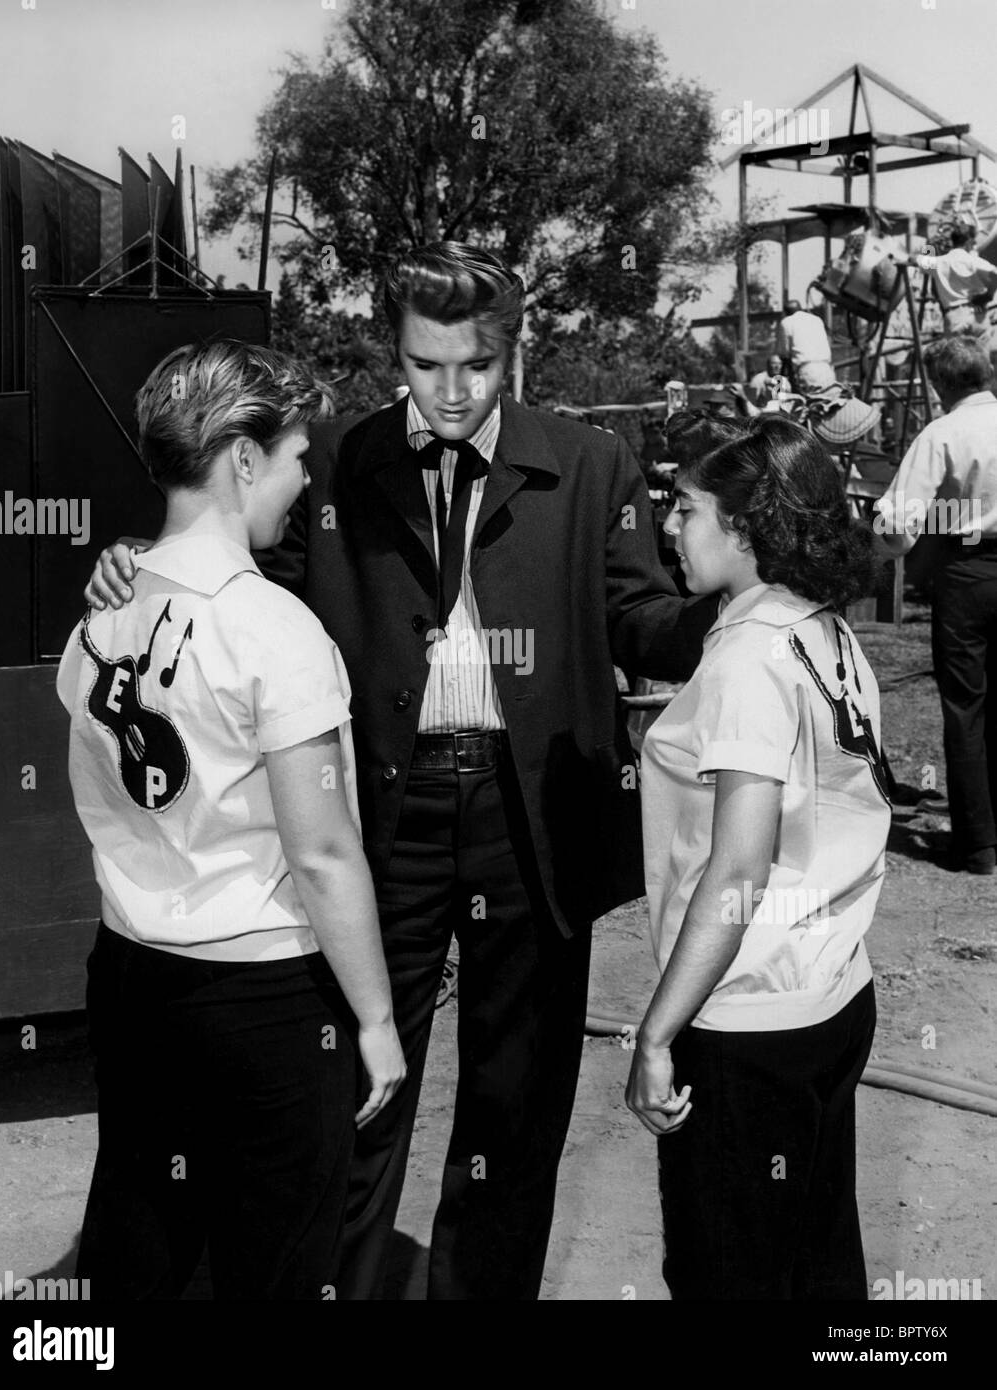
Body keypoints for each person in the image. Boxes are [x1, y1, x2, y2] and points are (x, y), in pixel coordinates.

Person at [84, 241, 716, 1301]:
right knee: (359, 1090)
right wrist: (133, 565)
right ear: (398, 355)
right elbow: (234, 563)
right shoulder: (332, 455)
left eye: (475, 365)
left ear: (512, 356)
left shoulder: (587, 462)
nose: (453, 390)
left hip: (533, 823)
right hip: (376, 811)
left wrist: (728, 616)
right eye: (426, 365)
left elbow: (635, 614)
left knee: (515, 1109)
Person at [58, 340, 405, 1299]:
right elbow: (327, 853)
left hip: (131, 979)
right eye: (298, 455)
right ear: (242, 459)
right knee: (278, 1263)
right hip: (265, 1002)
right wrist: (375, 1019)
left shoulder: (96, 621)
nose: (303, 481)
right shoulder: (275, 631)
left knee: (139, 1235)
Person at [626, 414, 890, 1299]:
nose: (669, 525)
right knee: (817, 1261)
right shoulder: (827, 631)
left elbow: (735, 874)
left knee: (727, 1270)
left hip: (748, 1017)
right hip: (833, 989)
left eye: (686, 507)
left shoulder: (747, 656)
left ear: (746, 525)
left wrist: (657, 1034)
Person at [877, 335, 997, 875]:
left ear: (939, 382)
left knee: (966, 705)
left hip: (968, 571)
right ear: (987, 372)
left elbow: (900, 522)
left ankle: (977, 845)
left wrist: (877, 541)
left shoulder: (942, 433)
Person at [891, 216, 997, 338]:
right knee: (981, 355)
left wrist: (930, 244)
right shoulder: (975, 261)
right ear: (968, 242)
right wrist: (988, 295)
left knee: (955, 355)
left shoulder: (939, 263)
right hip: (978, 314)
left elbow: (914, 259)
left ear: (953, 241)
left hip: (955, 317)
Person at [777, 297, 835, 393]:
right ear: (801, 309)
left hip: (808, 372)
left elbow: (785, 357)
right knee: (828, 404)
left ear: (785, 313)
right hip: (827, 370)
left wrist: (779, 389)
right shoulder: (817, 320)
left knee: (809, 404)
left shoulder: (786, 322)